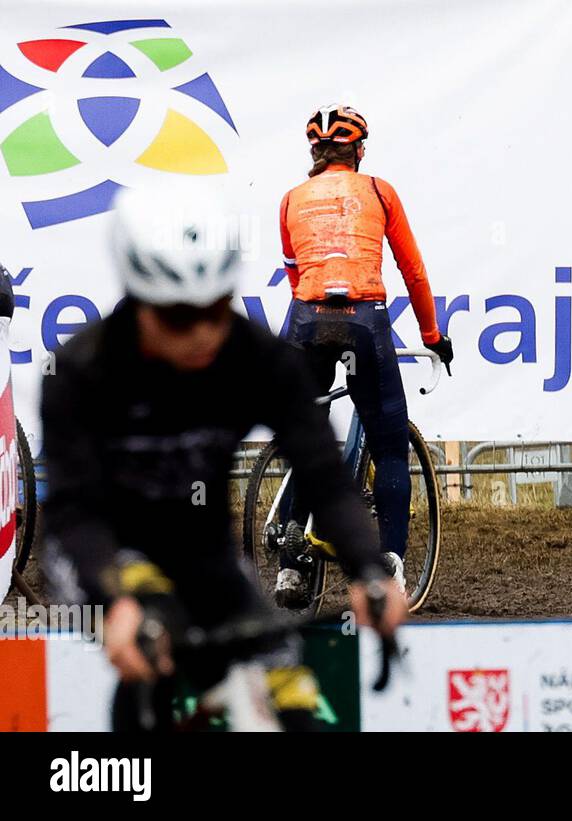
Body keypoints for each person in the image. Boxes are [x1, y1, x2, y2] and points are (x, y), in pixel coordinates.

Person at [40, 184, 405, 731]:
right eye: (180, 319)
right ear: (139, 300)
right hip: (99, 547)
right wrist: (110, 605)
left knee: (285, 684)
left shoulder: (255, 357)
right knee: (152, 632)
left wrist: (369, 569)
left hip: (200, 547)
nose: (203, 334)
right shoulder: (82, 369)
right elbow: (73, 512)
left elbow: (325, 477)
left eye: (216, 308)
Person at [277, 105, 453, 605]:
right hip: (363, 318)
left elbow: (294, 277)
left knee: (306, 439)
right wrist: (432, 333)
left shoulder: (291, 198)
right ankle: (390, 570)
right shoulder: (378, 190)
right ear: (358, 151)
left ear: (315, 152)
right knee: (390, 446)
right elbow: (413, 273)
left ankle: (290, 568)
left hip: (307, 317)